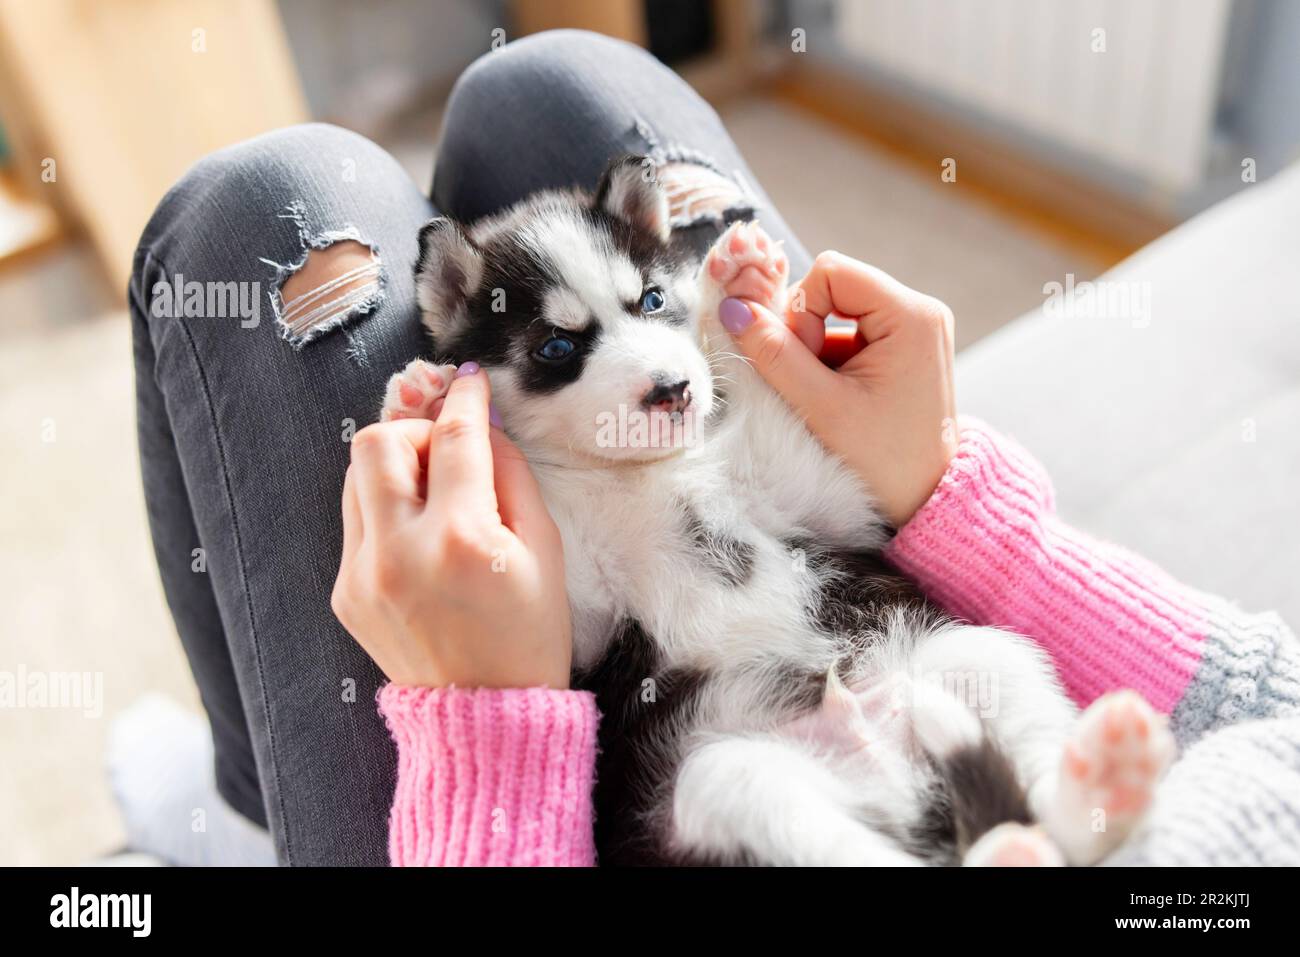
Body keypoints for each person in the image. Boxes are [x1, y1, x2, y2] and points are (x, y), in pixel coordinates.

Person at [132, 31, 1300, 867]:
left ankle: (253, 807)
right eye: (560, 353)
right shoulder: (575, 474)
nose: (657, 365)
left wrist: (484, 704)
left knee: (256, 208)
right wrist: (926, 471)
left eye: (652, 308)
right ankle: (1049, 824)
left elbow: (555, 628)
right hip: (890, 735)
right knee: (550, 83)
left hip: (763, 758)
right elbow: (816, 502)